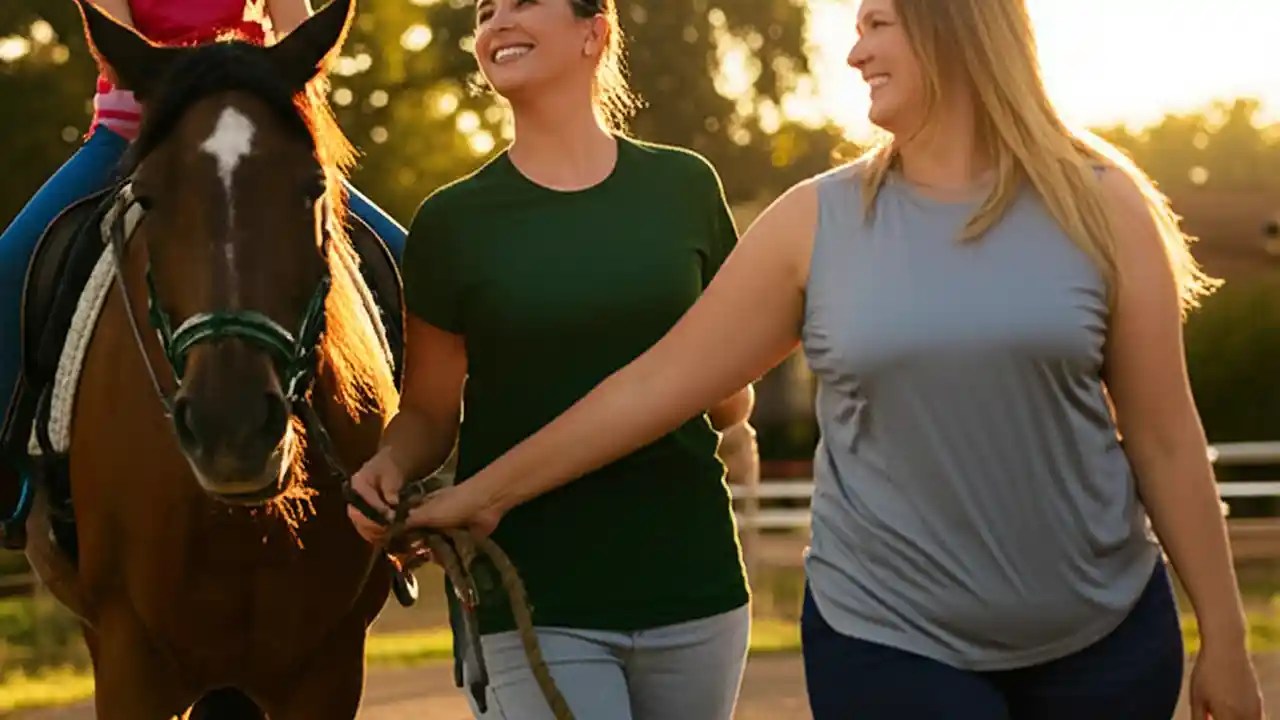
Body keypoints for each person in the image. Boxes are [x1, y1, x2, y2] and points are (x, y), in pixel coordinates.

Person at [356, 1, 1269, 719]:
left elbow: (1162, 436)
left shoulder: (1106, 206)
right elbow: (654, 388)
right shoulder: (817, 221)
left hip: (1104, 639)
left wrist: (1222, 634)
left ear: (957, 28)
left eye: (877, 24)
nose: (853, 53)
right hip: (891, 639)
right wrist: (479, 494)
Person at [345, 0, 757, 717]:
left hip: (694, 587)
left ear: (594, 34)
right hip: (532, 594)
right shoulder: (451, 224)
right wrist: (390, 463)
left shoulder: (685, 189)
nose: (497, 22)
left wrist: (732, 402)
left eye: (522, 3)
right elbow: (430, 412)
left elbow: (728, 394)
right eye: (484, 13)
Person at [0, 0, 407, 548]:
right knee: (8, 265)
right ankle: (12, 472)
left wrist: (268, 77)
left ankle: (419, 468)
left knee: (408, 259)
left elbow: (296, 27)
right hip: (137, 127)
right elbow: (118, 43)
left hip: (253, 124)